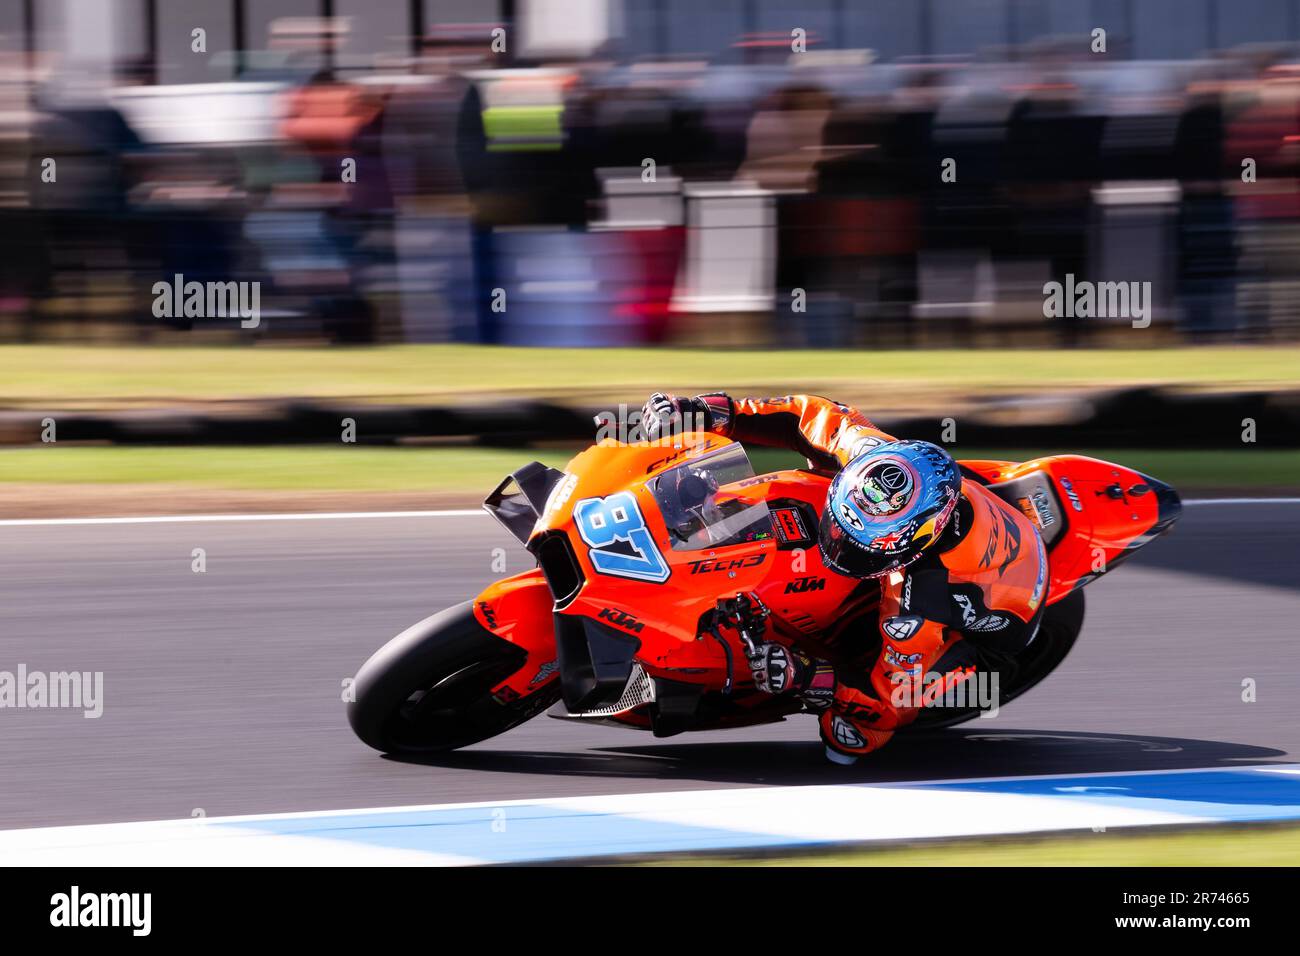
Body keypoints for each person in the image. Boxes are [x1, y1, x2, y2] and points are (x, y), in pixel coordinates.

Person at [640, 392, 1048, 764]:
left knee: (849, 738)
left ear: (912, 549)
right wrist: (710, 412)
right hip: (974, 504)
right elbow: (810, 416)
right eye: (840, 528)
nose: (837, 544)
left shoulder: (920, 603)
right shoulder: (875, 457)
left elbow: (891, 698)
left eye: (858, 546)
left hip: (994, 618)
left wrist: (808, 675)